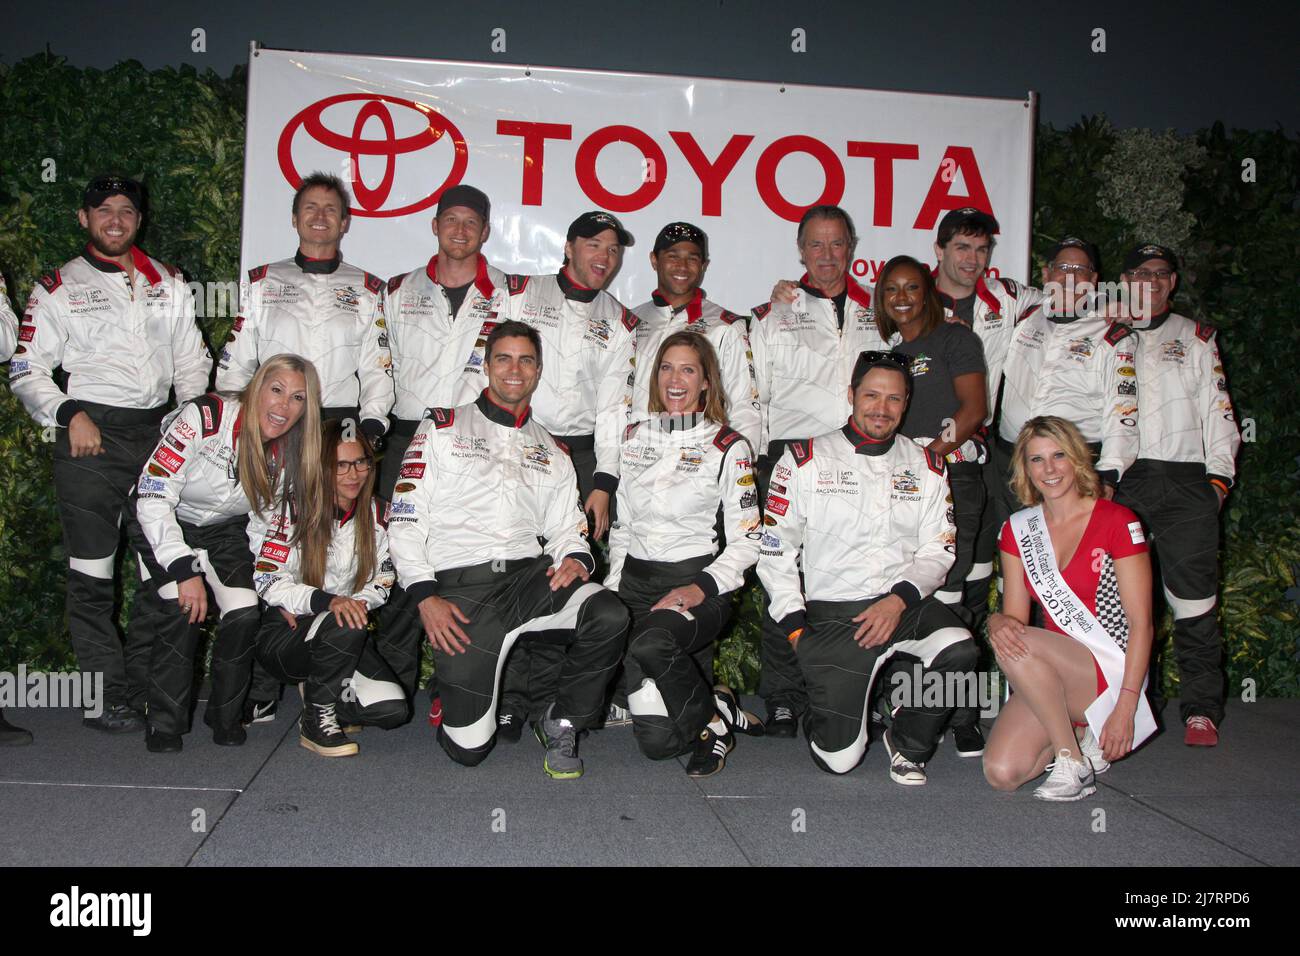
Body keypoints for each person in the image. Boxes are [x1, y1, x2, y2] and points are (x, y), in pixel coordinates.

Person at [9, 174, 210, 734]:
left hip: (157, 438)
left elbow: (192, 361)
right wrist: (69, 413)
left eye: (126, 210)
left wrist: (189, 421)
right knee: (92, 576)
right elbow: (26, 367)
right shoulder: (57, 286)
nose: (115, 219)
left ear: (138, 220)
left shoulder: (169, 281)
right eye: (103, 211)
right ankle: (104, 695)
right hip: (89, 436)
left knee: (163, 573)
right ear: (84, 218)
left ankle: (146, 686)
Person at [386, 320, 628, 777]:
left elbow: (566, 528)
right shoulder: (441, 427)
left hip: (527, 581)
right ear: (486, 366)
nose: (514, 370)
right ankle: (452, 700)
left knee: (609, 613)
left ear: (538, 371)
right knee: (470, 751)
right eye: (504, 358)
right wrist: (424, 597)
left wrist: (576, 557)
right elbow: (404, 518)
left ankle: (562, 719)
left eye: (526, 360)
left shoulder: (553, 449)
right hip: (460, 594)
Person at [757, 351, 976, 784]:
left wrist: (899, 600)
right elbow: (774, 548)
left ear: (906, 403)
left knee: (961, 647)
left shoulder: (928, 464)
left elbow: (940, 550)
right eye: (872, 395)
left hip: (903, 605)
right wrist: (797, 629)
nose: (882, 408)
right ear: (852, 394)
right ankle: (829, 717)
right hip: (836, 616)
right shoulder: (803, 458)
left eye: (894, 399)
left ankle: (908, 741)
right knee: (839, 761)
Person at [127, 354, 325, 752]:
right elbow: (153, 494)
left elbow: (271, 530)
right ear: (256, 388)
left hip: (223, 532)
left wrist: (280, 590)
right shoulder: (206, 415)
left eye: (298, 398)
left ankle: (225, 715)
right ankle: (163, 723)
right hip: (162, 518)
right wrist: (184, 570)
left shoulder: (292, 453)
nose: (283, 407)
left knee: (244, 611)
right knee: (184, 606)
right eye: (276, 390)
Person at [376, 184, 519, 722]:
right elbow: (376, 366)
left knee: (467, 561)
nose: (460, 231)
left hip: (477, 437)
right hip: (406, 436)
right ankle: (391, 683)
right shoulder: (395, 291)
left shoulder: (512, 293)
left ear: (485, 232)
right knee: (399, 556)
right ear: (435, 226)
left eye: (471, 223)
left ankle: (456, 683)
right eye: (450, 221)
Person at [749, 205, 889, 737]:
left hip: (862, 453)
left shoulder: (880, 312)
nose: (827, 255)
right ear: (800, 250)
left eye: (837, 245)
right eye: (816, 245)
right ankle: (783, 697)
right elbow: (751, 395)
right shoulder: (771, 314)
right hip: (791, 455)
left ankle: (854, 687)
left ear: (851, 247)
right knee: (783, 577)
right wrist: (759, 462)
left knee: (860, 576)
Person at [496, 211, 638, 733]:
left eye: (614, 249)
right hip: (513, 442)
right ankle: (508, 694)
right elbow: (484, 368)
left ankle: (551, 699)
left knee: (566, 574)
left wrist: (604, 482)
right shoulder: (518, 292)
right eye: (594, 244)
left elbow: (613, 410)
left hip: (578, 457)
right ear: (569, 247)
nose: (604, 256)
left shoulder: (621, 322)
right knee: (515, 565)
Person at [609, 331, 764, 776]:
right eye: (666, 367)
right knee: (659, 745)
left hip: (698, 585)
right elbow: (624, 527)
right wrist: (614, 590)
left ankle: (713, 728)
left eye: (688, 370)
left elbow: (748, 540)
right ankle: (715, 705)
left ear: (705, 383)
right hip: (636, 582)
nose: (675, 379)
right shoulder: (634, 436)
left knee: (652, 642)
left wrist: (699, 588)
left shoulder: (728, 446)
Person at [983, 416, 1156, 800]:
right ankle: (1078, 734)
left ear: (1076, 458)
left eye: (1059, 456)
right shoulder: (1018, 528)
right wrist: (996, 620)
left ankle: (1070, 761)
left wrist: (1126, 706)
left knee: (1022, 643)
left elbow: (1142, 623)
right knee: (1002, 772)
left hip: (1112, 670)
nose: (1049, 469)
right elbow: (1014, 621)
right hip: (1051, 668)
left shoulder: (1118, 520)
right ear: (1025, 469)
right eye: (1037, 459)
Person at [1114, 243, 1240, 746]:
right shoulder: (1105, 334)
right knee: (1124, 604)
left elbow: (1220, 414)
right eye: (1143, 273)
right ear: (1125, 279)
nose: (1153, 281)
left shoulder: (1195, 337)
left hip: (1188, 480)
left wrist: (1217, 483)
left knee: (1193, 603)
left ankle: (1201, 710)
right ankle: (1131, 702)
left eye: (1162, 274)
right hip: (1125, 482)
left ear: (1172, 283)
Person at [874, 254, 989, 756]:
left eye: (911, 288)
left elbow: (974, 409)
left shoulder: (956, 339)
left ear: (928, 293)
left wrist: (932, 454)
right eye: (892, 290)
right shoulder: (890, 350)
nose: (902, 297)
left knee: (948, 592)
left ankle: (962, 717)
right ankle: (918, 712)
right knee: (911, 590)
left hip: (952, 474)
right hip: (905, 483)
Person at [247, 420, 409, 757]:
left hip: (344, 631)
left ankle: (325, 692)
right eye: (341, 465)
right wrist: (326, 601)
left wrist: (353, 603)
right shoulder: (291, 509)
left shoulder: (380, 514)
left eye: (362, 462)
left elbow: (382, 580)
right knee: (343, 618)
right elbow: (267, 577)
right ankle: (315, 721)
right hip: (286, 638)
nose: (354, 474)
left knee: (392, 712)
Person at [930, 208, 1045, 637]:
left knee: (981, 563)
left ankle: (971, 679)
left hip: (985, 449)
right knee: (940, 565)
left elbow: (1067, 295)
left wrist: (1116, 303)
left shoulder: (1008, 298)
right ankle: (926, 682)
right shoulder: (908, 298)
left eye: (981, 249)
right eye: (962, 246)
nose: (972, 258)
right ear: (939, 249)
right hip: (930, 450)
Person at [216, 172, 390, 436]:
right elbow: (237, 363)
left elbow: (376, 366)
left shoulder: (367, 289)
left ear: (344, 222)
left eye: (330, 209)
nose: (320, 217)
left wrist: (373, 422)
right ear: (295, 219)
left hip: (337, 425)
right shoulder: (263, 282)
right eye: (311, 208)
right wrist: (230, 420)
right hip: (274, 419)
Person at [996, 237, 1139, 519]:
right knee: (1014, 548)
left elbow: (1122, 408)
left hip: (1071, 463)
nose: (1071, 276)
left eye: (1080, 269)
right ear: (1047, 274)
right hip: (1011, 458)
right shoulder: (1025, 315)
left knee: (1066, 554)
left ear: (1094, 279)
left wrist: (1109, 473)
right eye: (1063, 267)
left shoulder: (1111, 332)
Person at [630, 222, 761, 450]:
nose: (682, 266)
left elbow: (743, 406)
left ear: (703, 265)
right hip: (636, 457)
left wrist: (745, 463)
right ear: (654, 260)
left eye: (692, 258)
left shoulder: (726, 326)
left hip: (699, 462)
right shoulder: (630, 322)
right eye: (673, 256)